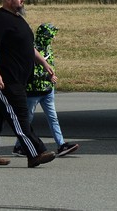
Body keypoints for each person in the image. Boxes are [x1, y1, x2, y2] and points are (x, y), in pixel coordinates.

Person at [0, 0, 57, 167]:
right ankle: (35, 153)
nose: (22, 0)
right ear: (7, 0)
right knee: (19, 117)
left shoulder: (17, 19)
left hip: (19, 79)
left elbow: (27, 47)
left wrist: (44, 63)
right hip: (6, 80)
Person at [14, 23, 79, 158]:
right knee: (28, 119)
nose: (53, 39)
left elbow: (50, 66)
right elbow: (31, 69)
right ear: (45, 36)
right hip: (33, 91)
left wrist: (52, 76)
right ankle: (19, 145)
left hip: (48, 90)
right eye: (51, 36)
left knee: (53, 117)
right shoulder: (31, 48)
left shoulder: (48, 48)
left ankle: (61, 145)